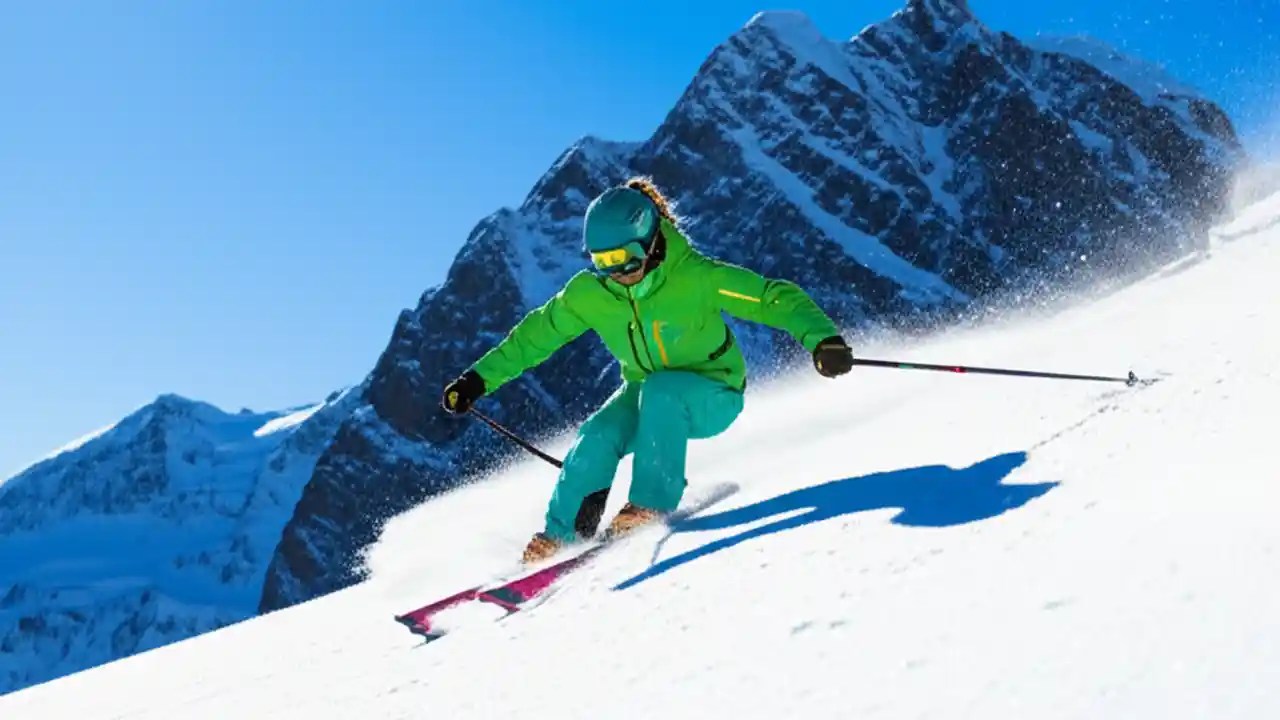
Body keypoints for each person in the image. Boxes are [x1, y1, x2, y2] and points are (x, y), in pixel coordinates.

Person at [442, 177, 854, 563]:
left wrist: (823, 340)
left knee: (663, 390)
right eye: (604, 261)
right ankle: (562, 536)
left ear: (651, 241)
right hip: (644, 391)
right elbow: (534, 337)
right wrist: (477, 380)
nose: (617, 272)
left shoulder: (696, 277)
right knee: (598, 434)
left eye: (625, 258)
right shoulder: (591, 293)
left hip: (714, 392)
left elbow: (771, 298)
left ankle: (650, 503)